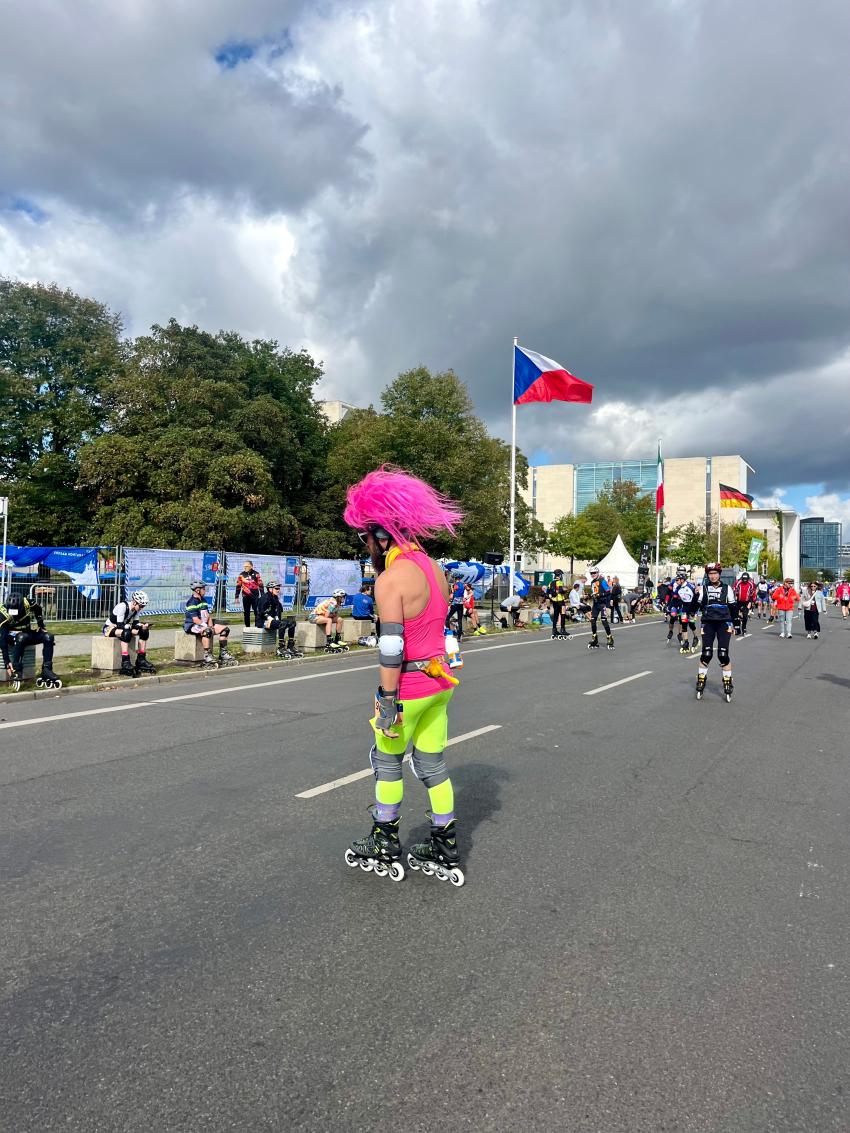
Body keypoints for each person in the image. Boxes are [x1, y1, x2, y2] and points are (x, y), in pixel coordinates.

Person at [342, 466, 465, 885]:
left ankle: (384, 838)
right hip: (440, 683)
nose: (367, 546)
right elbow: (439, 627)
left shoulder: (391, 579)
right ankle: (445, 842)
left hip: (409, 687)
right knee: (432, 764)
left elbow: (392, 647)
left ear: (381, 534)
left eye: (366, 537)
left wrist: (387, 700)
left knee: (387, 761)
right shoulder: (434, 569)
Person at [0, 593, 62, 688]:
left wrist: (40, 625)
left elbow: (38, 609)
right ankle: (16, 670)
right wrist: (7, 662)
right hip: (12, 637)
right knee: (21, 637)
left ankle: (47, 670)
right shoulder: (3, 614)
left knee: (48, 637)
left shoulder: (28, 603)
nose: (14, 615)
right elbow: (2, 639)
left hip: (27, 634)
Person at [695, 563, 736, 700]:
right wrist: (696, 595)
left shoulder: (727, 588)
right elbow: (695, 606)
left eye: (715, 573)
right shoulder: (703, 589)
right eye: (710, 574)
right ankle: (701, 679)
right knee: (706, 653)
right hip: (708, 622)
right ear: (708, 575)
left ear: (719, 574)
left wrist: (736, 624)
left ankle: (727, 680)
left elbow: (733, 607)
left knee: (723, 654)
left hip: (724, 622)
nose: (713, 576)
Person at [103, 589, 156, 677]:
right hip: (109, 628)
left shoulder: (136, 610)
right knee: (126, 633)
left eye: (143, 606)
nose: (142, 608)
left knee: (144, 631)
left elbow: (135, 624)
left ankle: (141, 659)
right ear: (135, 602)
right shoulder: (122, 606)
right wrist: (132, 628)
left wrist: (142, 626)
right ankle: (125, 661)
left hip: (122, 628)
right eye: (141, 606)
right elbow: (120, 625)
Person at [184, 581, 237, 667]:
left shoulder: (203, 600)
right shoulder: (192, 602)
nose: (205, 590)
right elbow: (195, 620)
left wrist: (211, 626)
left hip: (204, 624)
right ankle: (207, 656)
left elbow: (208, 616)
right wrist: (207, 627)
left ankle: (223, 654)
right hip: (192, 625)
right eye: (203, 589)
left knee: (225, 629)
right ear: (197, 590)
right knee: (207, 631)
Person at [257, 580, 302, 658]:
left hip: (273, 620)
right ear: (270, 589)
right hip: (263, 621)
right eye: (276, 588)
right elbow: (261, 612)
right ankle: (281, 647)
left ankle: (290, 646)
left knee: (292, 623)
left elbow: (277, 612)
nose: (278, 590)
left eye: (279, 588)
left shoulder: (275, 598)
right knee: (282, 624)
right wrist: (270, 618)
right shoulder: (264, 598)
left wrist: (277, 619)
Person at [587, 567, 614, 649]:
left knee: (603, 620)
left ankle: (610, 638)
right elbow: (594, 592)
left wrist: (600, 595)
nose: (593, 574)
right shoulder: (592, 582)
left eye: (594, 573)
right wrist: (589, 595)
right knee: (593, 620)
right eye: (591, 573)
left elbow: (608, 591)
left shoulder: (602, 580)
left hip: (603, 604)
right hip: (595, 604)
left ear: (598, 572)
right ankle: (594, 638)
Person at [235, 560, 264, 628]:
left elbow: (261, 585)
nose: (245, 567)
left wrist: (262, 595)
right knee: (246, 613)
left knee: (257, 612)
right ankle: (247, 627)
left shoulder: (256, 574)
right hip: (245, 596)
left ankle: (257, 626)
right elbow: (238, 586)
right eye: (244, 566)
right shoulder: (241, 574)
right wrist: (236, 596)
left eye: (247, 566)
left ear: (251, 566)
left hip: (255, 597)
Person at [545, 569, 570, 639]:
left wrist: (549, 603)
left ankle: (554, 630)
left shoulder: (550, 582)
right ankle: (562, 629)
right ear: (560, 575)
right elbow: (561, 591)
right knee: (563, 614)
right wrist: (565, 589)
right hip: (560, 600)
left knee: (556, 615)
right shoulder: (560, 582)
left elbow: (547, 593)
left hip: (554, 601)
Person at [733, 572, 756, 636]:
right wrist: (736, 593)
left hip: (746, 602)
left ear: (748, 579)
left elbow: (753, 593)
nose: (745, 580)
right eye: (743, 579)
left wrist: (752, 601)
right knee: (736, 616)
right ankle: (737, 629)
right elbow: (734, 589)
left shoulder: (751, 584)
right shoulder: (738, 582)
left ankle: (744, 629)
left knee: (745, 616)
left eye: (746, 579)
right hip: (738, 601)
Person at [445, 575, 465, 641]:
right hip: (461, 603)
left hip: (455, 603)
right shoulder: (462, 585)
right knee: (460, 620)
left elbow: (453, 594)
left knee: (447, 618)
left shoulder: (455, 585)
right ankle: (459, 636)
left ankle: (449, 632)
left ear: (455, 579)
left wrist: (452, 589)